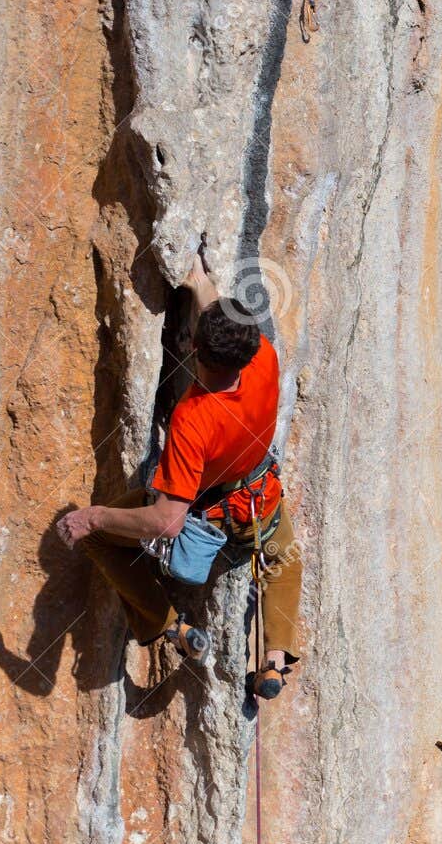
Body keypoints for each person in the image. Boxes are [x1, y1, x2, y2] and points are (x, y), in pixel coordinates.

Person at [58, 250, 302, 700]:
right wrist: (198, 277)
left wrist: (93, 516)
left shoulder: (193, 419)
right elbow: (218, 315)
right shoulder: (262, 355)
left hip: (208, 518)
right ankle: (274, 660)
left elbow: (166, 522)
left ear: (191, 347)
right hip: (257, 501)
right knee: (282, 559)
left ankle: (170, 626)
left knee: (99, 537)